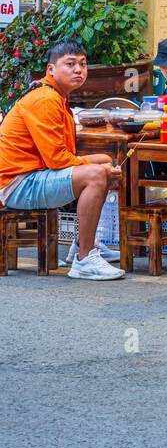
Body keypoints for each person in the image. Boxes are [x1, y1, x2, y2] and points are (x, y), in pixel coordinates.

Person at [0, 39, 124, 281]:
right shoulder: (45, 99)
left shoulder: (57, 96)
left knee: (104, 160)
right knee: (98, 173)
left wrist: (101, 163)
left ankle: (82, 242)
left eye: (82, 64)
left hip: (33, 176)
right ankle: (85, 259)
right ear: (51, 70)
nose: (78, 70)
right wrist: (98, 168)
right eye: (70, 64)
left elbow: (62, 157)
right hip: (16, 184)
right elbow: (57, 160)